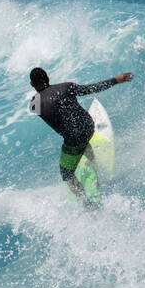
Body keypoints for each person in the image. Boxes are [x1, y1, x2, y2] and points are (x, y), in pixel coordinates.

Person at [29, 67, 133, 207]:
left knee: (67, 175)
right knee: (80, 135)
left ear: (32, 84)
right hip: (89, 127)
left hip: (74, 140)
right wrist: (116, 80)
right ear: (48, 77)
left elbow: (53, 113)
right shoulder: (66, 87)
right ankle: (88, 153)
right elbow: (92, 88)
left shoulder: (34, 105)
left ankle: (86, 203)